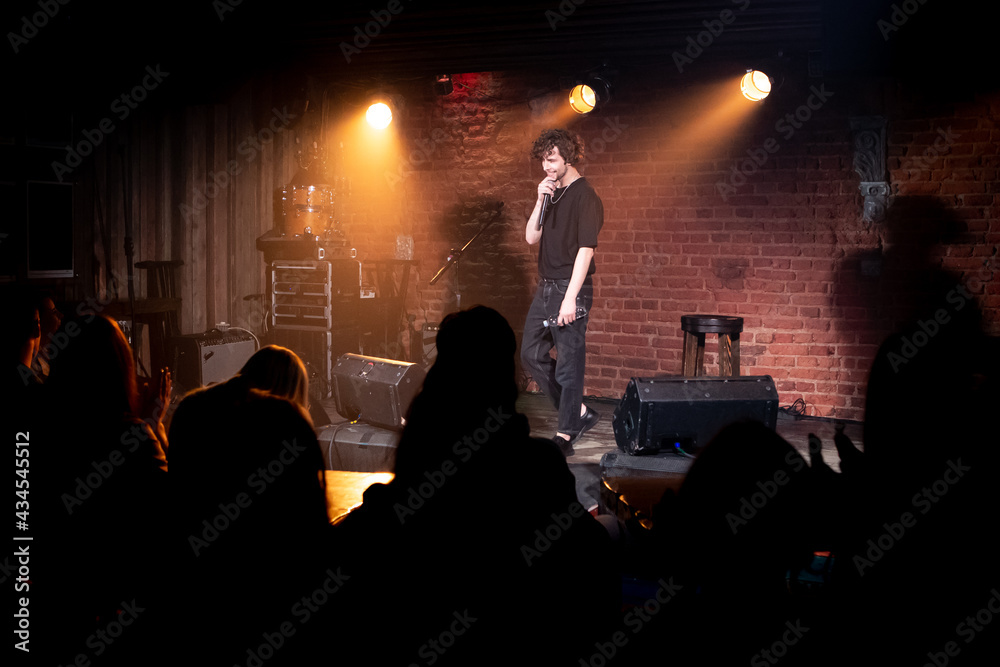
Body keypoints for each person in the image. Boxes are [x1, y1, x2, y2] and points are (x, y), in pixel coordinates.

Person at [331, 306, 620, 666]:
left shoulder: (421, 457)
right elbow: (585, 560)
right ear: (505, 379)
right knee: (611, 529)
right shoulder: (537, 465)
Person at [520, 128, 604, 456]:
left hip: (570, 290)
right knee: (530, 353)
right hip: (545, 288)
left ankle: (566, 433)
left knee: (569, 364)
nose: (547, 166)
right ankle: (578, 412)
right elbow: (531, 237)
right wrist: (540, 198)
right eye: (543, 160)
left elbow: (586, 250)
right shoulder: (551, 193)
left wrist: (570, 298)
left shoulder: (586, 196)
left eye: (552, 159)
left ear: (568, 157)